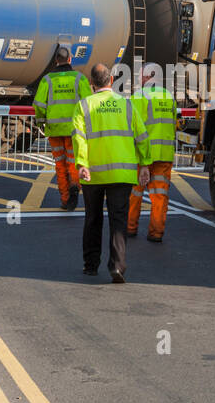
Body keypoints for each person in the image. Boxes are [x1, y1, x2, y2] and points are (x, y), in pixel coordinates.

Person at [71, 63, 150, 283]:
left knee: (93, 218)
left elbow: (79, 138)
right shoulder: (126, 105)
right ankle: (117, 266)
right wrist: (144, 165)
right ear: (112, 80)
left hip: (93, 174)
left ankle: (90, 265)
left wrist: (82, 164)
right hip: (122, 175)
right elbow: (142, 136)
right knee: (118, 220)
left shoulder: (84, 106)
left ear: (91, 83)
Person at [33, 46, 93, 211]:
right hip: (74, 130)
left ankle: (66, 200)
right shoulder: (79, 79)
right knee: (73, 162)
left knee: (60, 164)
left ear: (55, 60)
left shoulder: (47, 80)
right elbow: (88, 104)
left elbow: (38, 104)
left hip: (54, 130)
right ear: (70, 59)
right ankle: (75, 185)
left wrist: (40, 121)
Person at [127, 81, 177, 242]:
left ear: (146, 77)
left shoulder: (140, 96)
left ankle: (130, 227)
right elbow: (173, 123)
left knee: (134, 192)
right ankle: (156, 232)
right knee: (160, 195)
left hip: (143, 154)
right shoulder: (169, 97)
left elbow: (133, 127)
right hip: (164, 153)